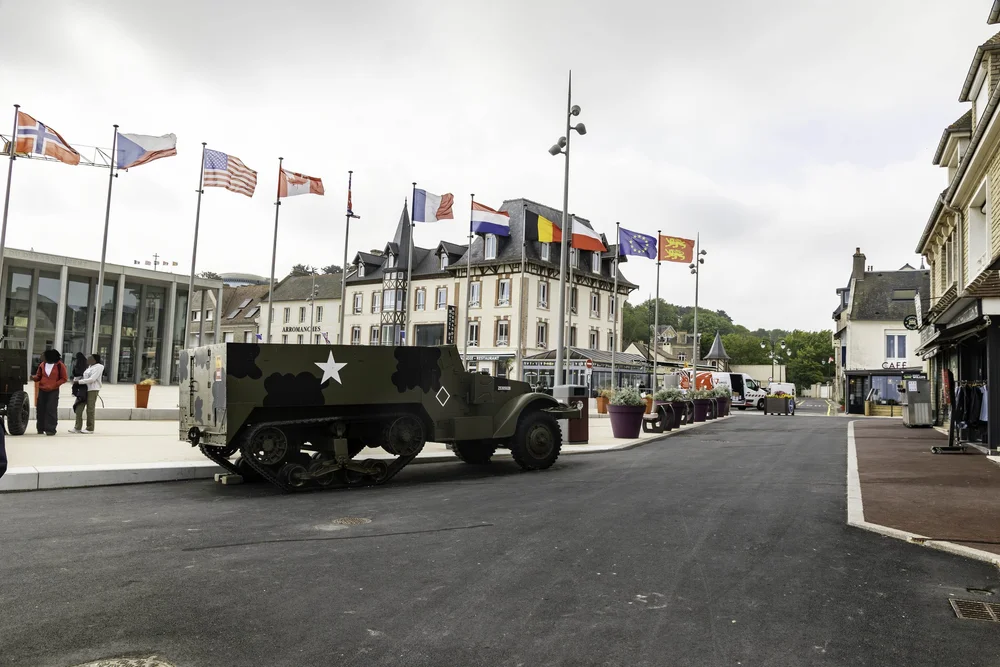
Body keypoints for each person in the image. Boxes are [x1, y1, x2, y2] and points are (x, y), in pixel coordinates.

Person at [32, 349, 68, 436]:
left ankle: (51, 429)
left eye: (43, 356)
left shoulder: (60, 365)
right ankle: (40, 428)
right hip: (42, 390)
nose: (41, 357)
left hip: (53, 390)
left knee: (51, 409)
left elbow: (64, 378)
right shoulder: (42, 365)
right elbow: (39, 376)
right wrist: (34, 378)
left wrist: (55, 384)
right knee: (40, 409)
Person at [70, 354, 104, 434]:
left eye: (90, 358)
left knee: (90, 409)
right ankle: (77, 427)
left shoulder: (99, 367)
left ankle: (90, 428)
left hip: (93, 389)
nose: (87, 360)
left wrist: (79, 382)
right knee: (78, 407)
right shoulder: (89, 367)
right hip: (84, 389)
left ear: (94, 360)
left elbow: (92, 379)